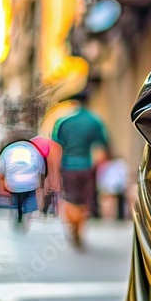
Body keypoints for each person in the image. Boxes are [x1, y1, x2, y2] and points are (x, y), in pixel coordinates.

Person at [51, 91, 109, 247]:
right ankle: (78, 228)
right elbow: (102, 150)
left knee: (69, 198)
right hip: (86, 167)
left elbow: (56, 149)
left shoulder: (63, 122)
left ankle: (73, 224)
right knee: (84, 201)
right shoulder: (94, 121)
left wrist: (54, 173)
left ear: (73, 103)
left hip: (68, 166)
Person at [0, 136, 46, 225]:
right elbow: (42, 168)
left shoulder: (8, 150)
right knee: (30, 193)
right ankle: (28, 212)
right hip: (31, 182)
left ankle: (17, 211)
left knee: (16, 193)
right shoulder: (34, 150)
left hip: (13, 182)